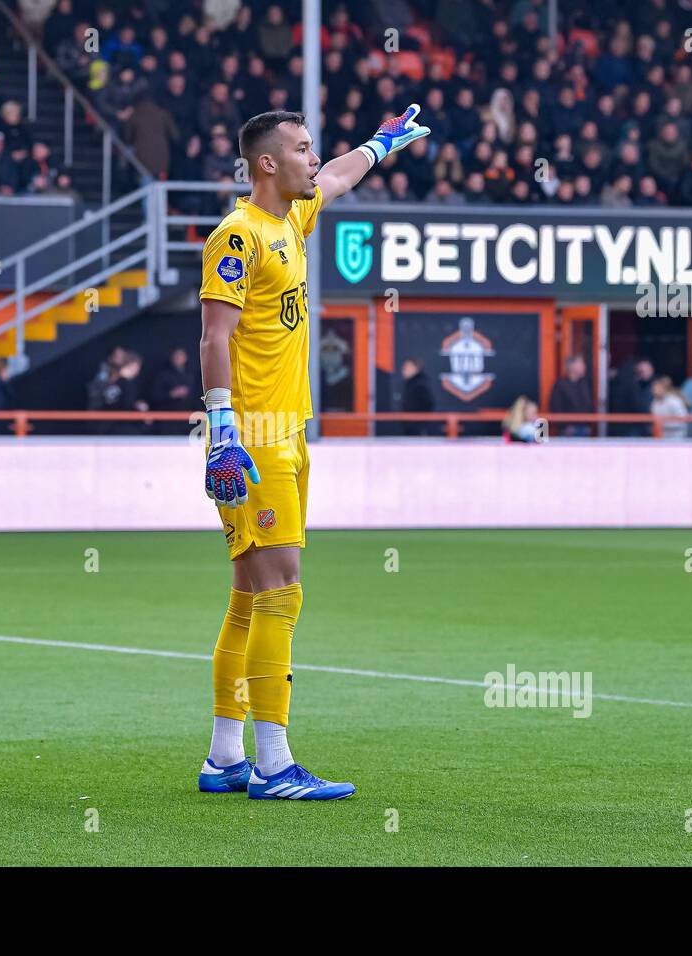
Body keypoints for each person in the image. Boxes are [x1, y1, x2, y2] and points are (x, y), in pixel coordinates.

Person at [197, 105, 430, 801]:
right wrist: (223, 429)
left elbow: (338, 177)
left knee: (247, 599)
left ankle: (224, 757)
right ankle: (273, 764)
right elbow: (214, 338)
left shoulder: (291, 219)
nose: (312, 158)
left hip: (285, 434)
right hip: (257, 436)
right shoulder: (238, 235)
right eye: (300, 149)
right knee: (280, 595)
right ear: (267, 163)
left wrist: (381, 144)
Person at [548, 354, 592, 437]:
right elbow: (555, 408)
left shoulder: (584, 384)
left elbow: (588, 405)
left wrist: (588, 424)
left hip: (585, 428)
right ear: (572, 366)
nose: (584, 366)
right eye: (581, 363)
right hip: (568, 430)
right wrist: (564, 426)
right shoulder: (560, 385)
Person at [399, 357, 435, 436]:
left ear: (415, 368)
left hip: (418, 428)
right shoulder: (410, 384)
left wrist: (420, 423)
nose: (404, 370)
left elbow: (428, 404)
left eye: (407, 367)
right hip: (410, 427)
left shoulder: (420, 384)